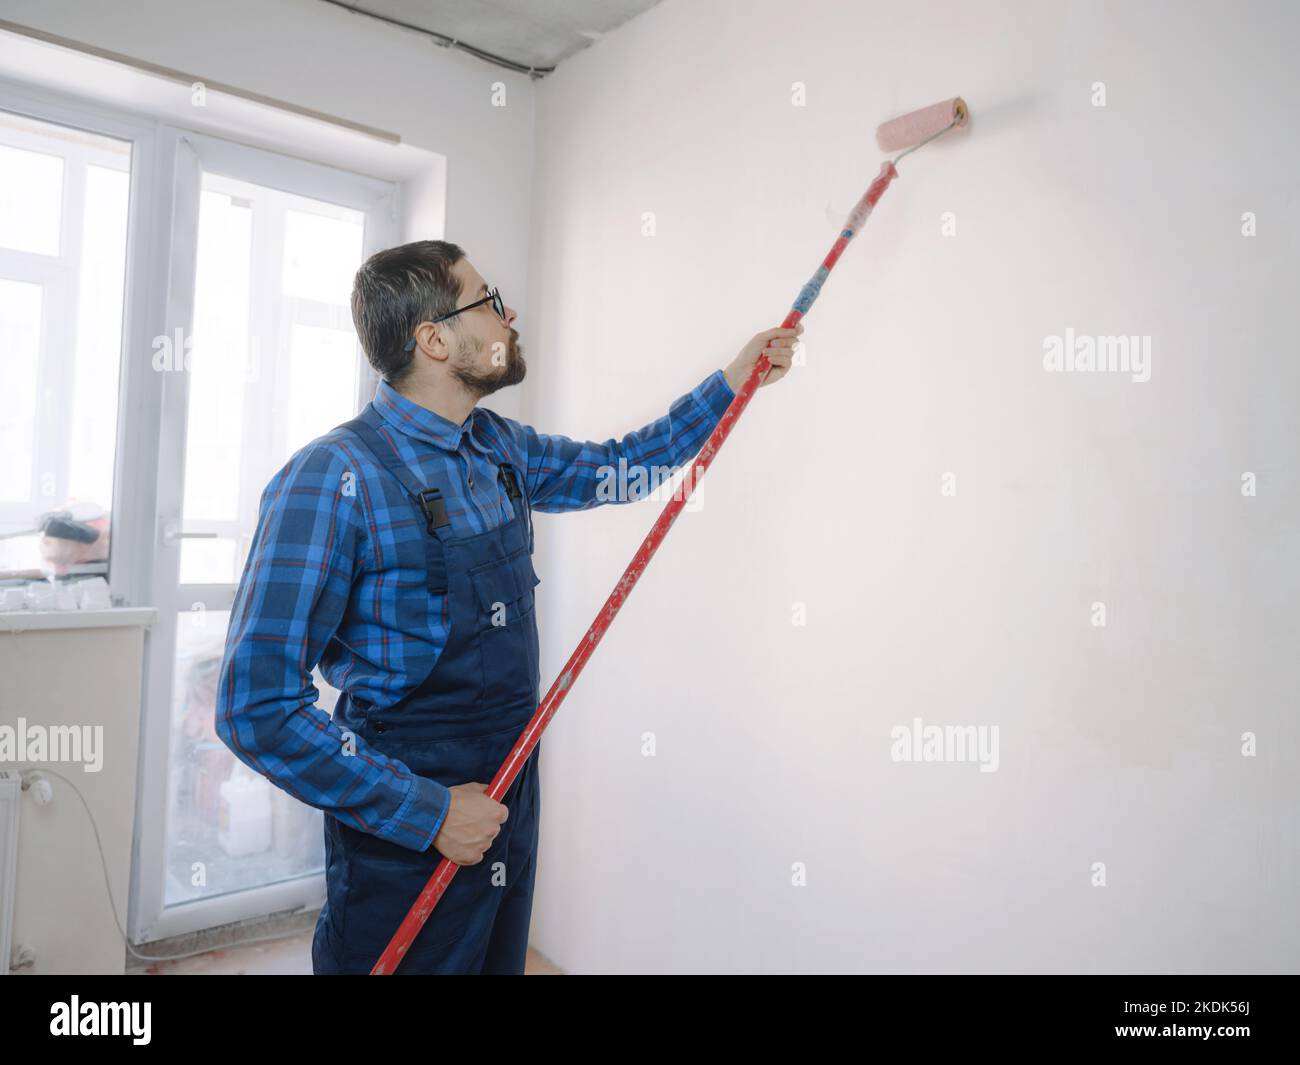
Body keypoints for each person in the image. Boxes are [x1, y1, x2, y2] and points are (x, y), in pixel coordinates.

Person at [215, 239, 800, 974]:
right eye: (487, 301)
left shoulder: (498, 449)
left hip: (510, 790)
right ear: (433, 339)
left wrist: (732, 382)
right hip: (408, 831)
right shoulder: (332, 478)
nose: (508, 314)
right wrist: (428, 812)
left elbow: (621, 470)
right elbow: (255, 705)